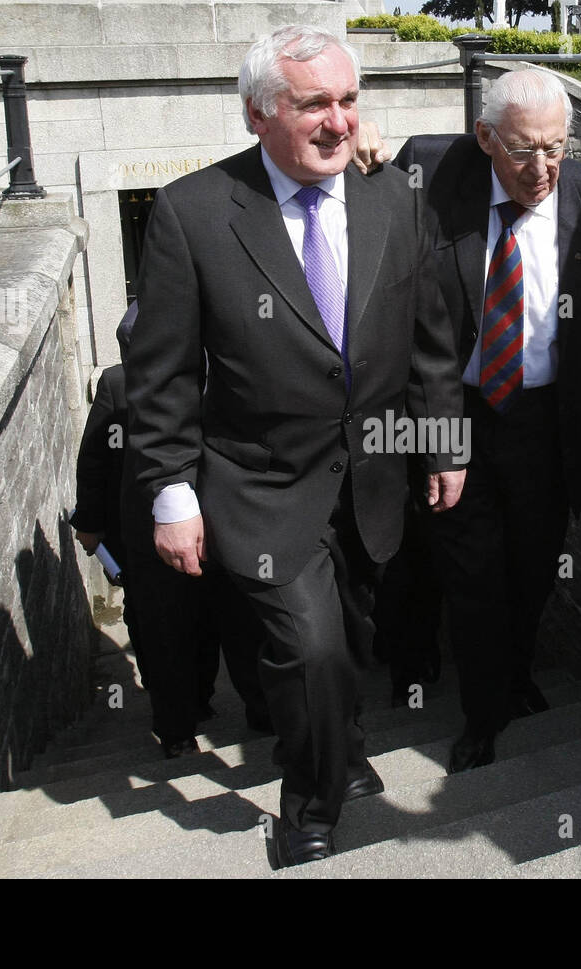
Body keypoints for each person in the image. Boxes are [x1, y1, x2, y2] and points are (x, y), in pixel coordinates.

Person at [124, 25, 465, 869]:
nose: (338, 122)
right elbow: (162, 372)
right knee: (309, 646)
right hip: (261, 486)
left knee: (349, 638)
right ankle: (309, 809)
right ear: (257, 114)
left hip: (375, 477)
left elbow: (430, 340)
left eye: (348, 101)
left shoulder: (395, 200)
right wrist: (171, 492)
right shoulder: (193, 213)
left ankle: (343, 745)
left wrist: (444, 442)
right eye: (314, 104)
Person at [392, 69, 581, 775]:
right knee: (474, 575)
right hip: (456, 415)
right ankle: (482, 717)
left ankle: (516, 674)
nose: (542, 168)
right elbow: (359, 184)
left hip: (544, 424)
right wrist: (363, 145)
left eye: (556, 148)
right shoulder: (431, 171)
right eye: (524, 149)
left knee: (534, 569)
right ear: (485, 138)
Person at [74, 303, 270, 758]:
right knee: (169, 632)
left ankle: (253, 712)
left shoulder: (223, 371)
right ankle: (180, 726)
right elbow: (96, 459)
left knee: (233, 625)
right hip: (154, 534)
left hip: (221, 526)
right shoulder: (118, 385)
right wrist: (91, 521)